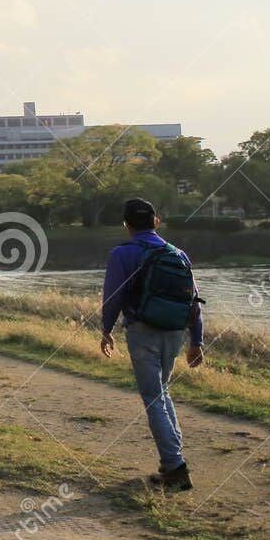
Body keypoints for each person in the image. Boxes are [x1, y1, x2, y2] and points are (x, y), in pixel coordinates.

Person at [99, 198, 205, 491]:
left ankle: (174, 466)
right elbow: (194, 301)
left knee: (153, 397)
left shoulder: (123, 253)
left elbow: (113, 297)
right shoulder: (178, 254)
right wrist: (196, 340)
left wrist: (106, 329)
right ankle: (172, 461)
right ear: (156, 222)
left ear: (126, 225)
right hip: (174, 331)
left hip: (142, 331)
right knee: (162, 392)